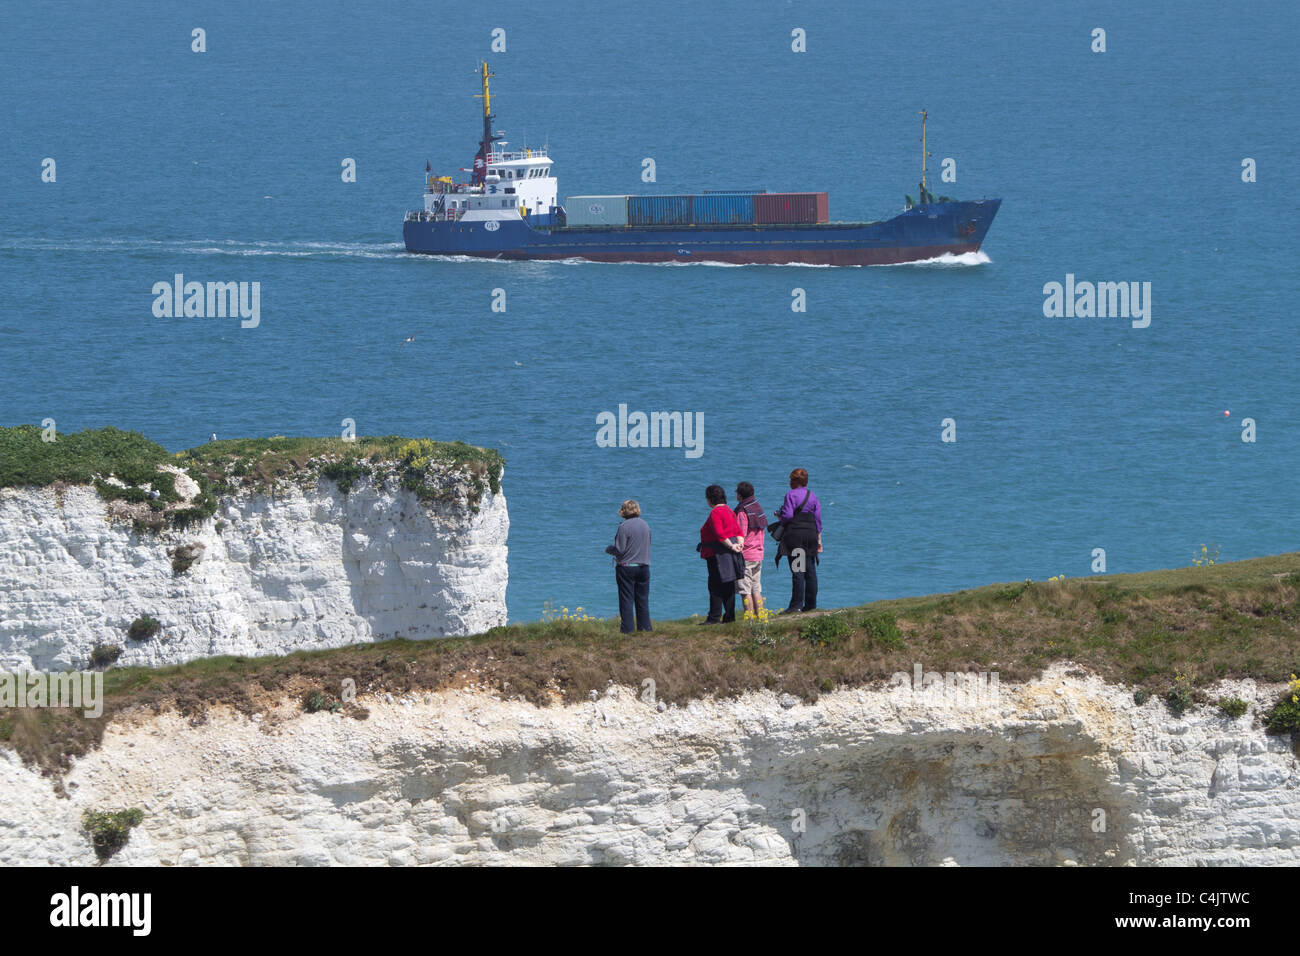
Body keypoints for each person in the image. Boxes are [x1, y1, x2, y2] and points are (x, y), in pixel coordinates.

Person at [773, 468, 822, 614]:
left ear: (795, 481)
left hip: (796, 536)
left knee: (798, 570)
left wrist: (779, 517)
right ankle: (811, 605)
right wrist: (818, 536)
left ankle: (796, 605)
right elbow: (818, 519)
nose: (789, 482)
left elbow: (787, 516)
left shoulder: (791, 495)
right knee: (810, 570)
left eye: (791, 479)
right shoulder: (812, 496)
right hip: (811, 534)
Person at [698, 484, 744, 624]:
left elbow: (719, 534)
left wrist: (732, 546)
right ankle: (729, 616)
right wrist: (739, 545)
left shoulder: (716, 512)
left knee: (715, 585)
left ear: (709, 499)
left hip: (716, 554)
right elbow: (738, 532)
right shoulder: (729, 510)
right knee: (728, 584)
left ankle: (714, 617)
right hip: (729, 552)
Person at [605, 499, 651, 634]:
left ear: (624, 511)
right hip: (644, 566)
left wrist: (609, 549)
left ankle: (627, 630)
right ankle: (645, 628)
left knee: (626, 599)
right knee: (642, 599)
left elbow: (619, 549)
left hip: (626, 567)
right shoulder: (645, 525)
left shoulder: (624, 526)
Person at [733, 481, 767, 616]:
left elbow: (741, 534)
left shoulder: (742, 511)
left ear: (740, 495)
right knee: (756, 589)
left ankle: (750, 620)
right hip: (758, 553)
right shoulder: (757, 507)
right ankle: (762, 618)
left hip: (746, 555)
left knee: (745, 591)